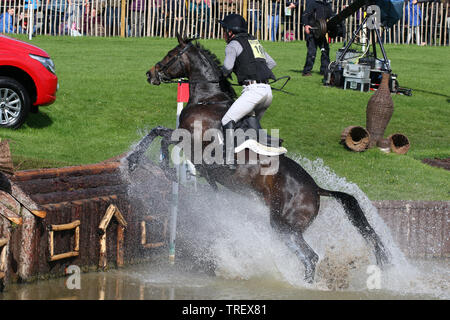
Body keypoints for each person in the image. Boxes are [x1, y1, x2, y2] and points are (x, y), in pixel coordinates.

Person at [218, 13, 279, 164]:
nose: (224, 33)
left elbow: (227, 68)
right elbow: (271, 63)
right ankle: (252, 157)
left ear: (230, 31)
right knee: (248, 126)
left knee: (227, 119)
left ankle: (229, 160)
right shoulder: (254, 42)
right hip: (267, 92)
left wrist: (225, 74)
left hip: (253, 92)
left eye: (225, 30)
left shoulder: (232, 45)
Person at [288, 0, 333, 76]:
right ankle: (306, 71)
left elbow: (331, 16)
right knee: (312, 52)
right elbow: (305, 15)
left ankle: (324, 70)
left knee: (325, 51)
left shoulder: (327, 5)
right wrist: (306, 25)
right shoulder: (313, 3)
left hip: (321, 32)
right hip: (312, 31)